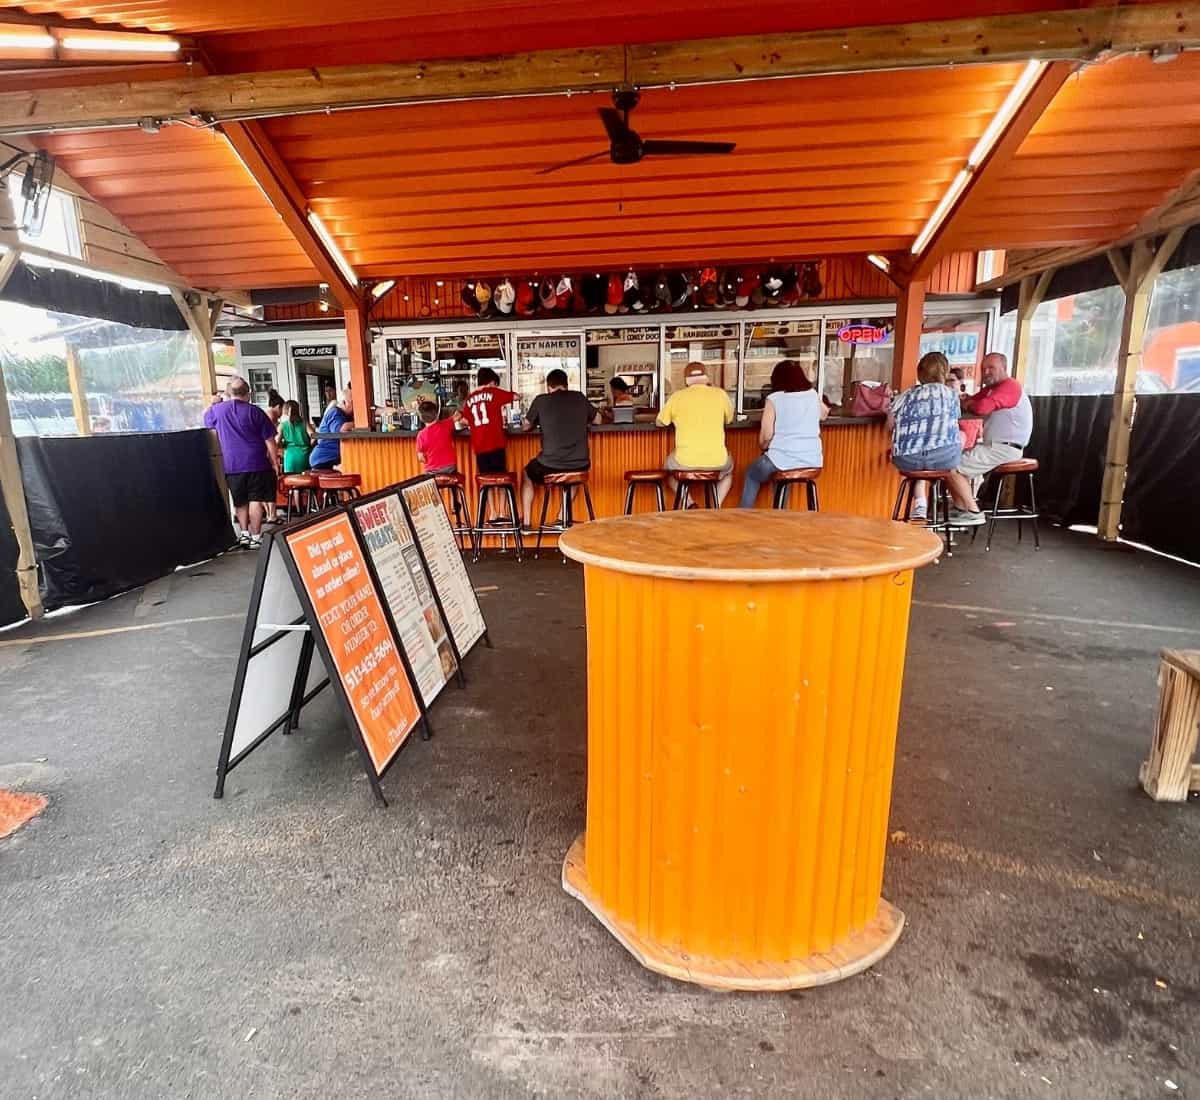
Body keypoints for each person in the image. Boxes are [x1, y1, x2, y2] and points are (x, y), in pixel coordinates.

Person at [943, 351, 1033, 525]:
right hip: (996, 446)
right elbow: (969, 403)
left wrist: (969, 403)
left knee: (949, 464)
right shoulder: (992, 389)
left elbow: (981, 407)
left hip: (1004, 448)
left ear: (1004, 368)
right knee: (950, 461)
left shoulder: (1010, 386)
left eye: (991, 368)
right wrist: (968, 402)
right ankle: (962, 510)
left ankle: (972, 512)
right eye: (983, 369)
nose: (986, 372)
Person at [738, 359, 827, 508]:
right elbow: (824, 414)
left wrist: (764, 447)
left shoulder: (774, 399)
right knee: (781, 471)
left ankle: (743, 513)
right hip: (813, 460)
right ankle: (780, 514)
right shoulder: (812, 394)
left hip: (781, 459)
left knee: (753, 473)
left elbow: (766, 435)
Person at [887, 351, 963, 522]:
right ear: (945, 372)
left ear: (920, 373)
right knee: (954, 442)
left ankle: (921, 505)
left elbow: (889, 426)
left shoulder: (905, 395)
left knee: (920, 461)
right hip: (944, 459)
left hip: (907, 460)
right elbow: (954, 421)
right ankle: (963, 507)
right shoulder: (952, 395)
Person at [203, 377, 278, 549]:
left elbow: (205, 419)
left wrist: (213, 402)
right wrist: (275, 462)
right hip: (257, 463)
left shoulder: (218, 411)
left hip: (232, 464)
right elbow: (270, 441)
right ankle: (256, 536)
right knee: (255, 500)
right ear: (248, 394)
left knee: (240, 501)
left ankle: (243, 534)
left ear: (230, 393)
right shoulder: (256, 412)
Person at [520, 368, 596, 526]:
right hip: (580, 463)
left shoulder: (541, 400)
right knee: (575, 476)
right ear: (566, 385)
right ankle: (562, 516)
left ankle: (526, 522)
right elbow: (599, 420)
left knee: (527, 473)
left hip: (550, 465)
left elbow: (525, 427)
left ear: (549, 386)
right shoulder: (580, 398)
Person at [656, 362, 735, 507]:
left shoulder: (677, 397)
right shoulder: (720, 394)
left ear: (686, 380)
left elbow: (660, 422)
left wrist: (676, 419)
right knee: (728, 472)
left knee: (667, 472)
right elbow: (729, 419)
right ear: (706, 377)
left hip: (684, 461)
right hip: (717, 460)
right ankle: (714, 506)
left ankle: (690, 503)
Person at [456, 367, 517, 475]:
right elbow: (516, 397)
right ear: (492, 382)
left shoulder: (470, 398)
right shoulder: (494, 392)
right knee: (501, 479)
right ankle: (504, 492)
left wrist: (475, 424)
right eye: (495, 384)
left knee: (486, 480)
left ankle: (486, 492)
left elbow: (464, 420)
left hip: (480, 447)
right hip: (496, 444)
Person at [309, 388, 354, 470]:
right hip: (324, 460)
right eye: (352, 403)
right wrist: (359, 422)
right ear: (344, 402)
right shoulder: (335, 412)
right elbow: (341, 430)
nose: (355, 407)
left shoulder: (345, 415)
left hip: (331, 458)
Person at [415, 400, 458, 475]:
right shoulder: (446, 424)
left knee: (426, 480)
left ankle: (433, 487)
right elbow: (458, 416)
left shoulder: (421, 435)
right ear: (436, 414)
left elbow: (421, 458)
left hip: (432, 471)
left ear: (421, 418)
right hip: (450, 468)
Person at [278, 399, 313, 475]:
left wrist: (284, 444)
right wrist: (310, 445)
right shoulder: (304, 422)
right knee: (306, 483)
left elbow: (277, 443)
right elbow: (313, 436)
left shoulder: (282, 425)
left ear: (285, 411)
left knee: (291, 483)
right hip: (304, 457)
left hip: (290, 459)